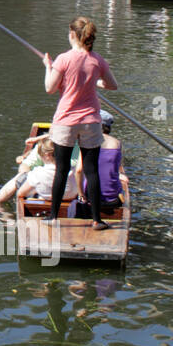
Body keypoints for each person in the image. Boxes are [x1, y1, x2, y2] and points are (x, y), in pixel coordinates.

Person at [41, 16, 119, 229]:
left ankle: (53, 217)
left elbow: (49, 88)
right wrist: (95, 82)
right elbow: (113, 85)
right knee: (91, 170)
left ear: (73, 35)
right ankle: (96, 220)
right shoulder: (97, 60)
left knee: (61, 169)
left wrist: (48, 66)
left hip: (66, 120)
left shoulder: (63, 59)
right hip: (91, 121)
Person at [71, 110, 128, 216]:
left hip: (91, 199)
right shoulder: (117, 143)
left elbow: (78, 171)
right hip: (113, 199)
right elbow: (115, 166)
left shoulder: (86, 141)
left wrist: (81, 195)